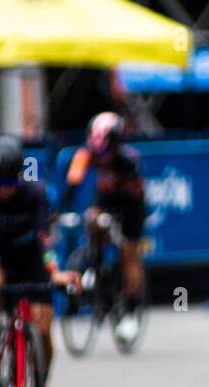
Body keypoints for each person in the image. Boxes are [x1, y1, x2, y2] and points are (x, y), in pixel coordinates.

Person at [0, 135, 78, 387]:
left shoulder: (36, 193)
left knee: (42, 324)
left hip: (30, 256)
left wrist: (56, 272)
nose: (4, 190)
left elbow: (45, 239)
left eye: (10, 183)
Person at [60, 111, 147, 345]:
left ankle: (129, 310)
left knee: (129, 253)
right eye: (98, 152)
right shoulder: (85, 153)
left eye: (107, 152)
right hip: (106, 197)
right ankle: (94, 266)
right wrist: (60, 211)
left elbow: (130, 191)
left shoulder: (128, 160)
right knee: (92, 219)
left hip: (130, 203)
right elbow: (73, 182)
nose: (103, 157)